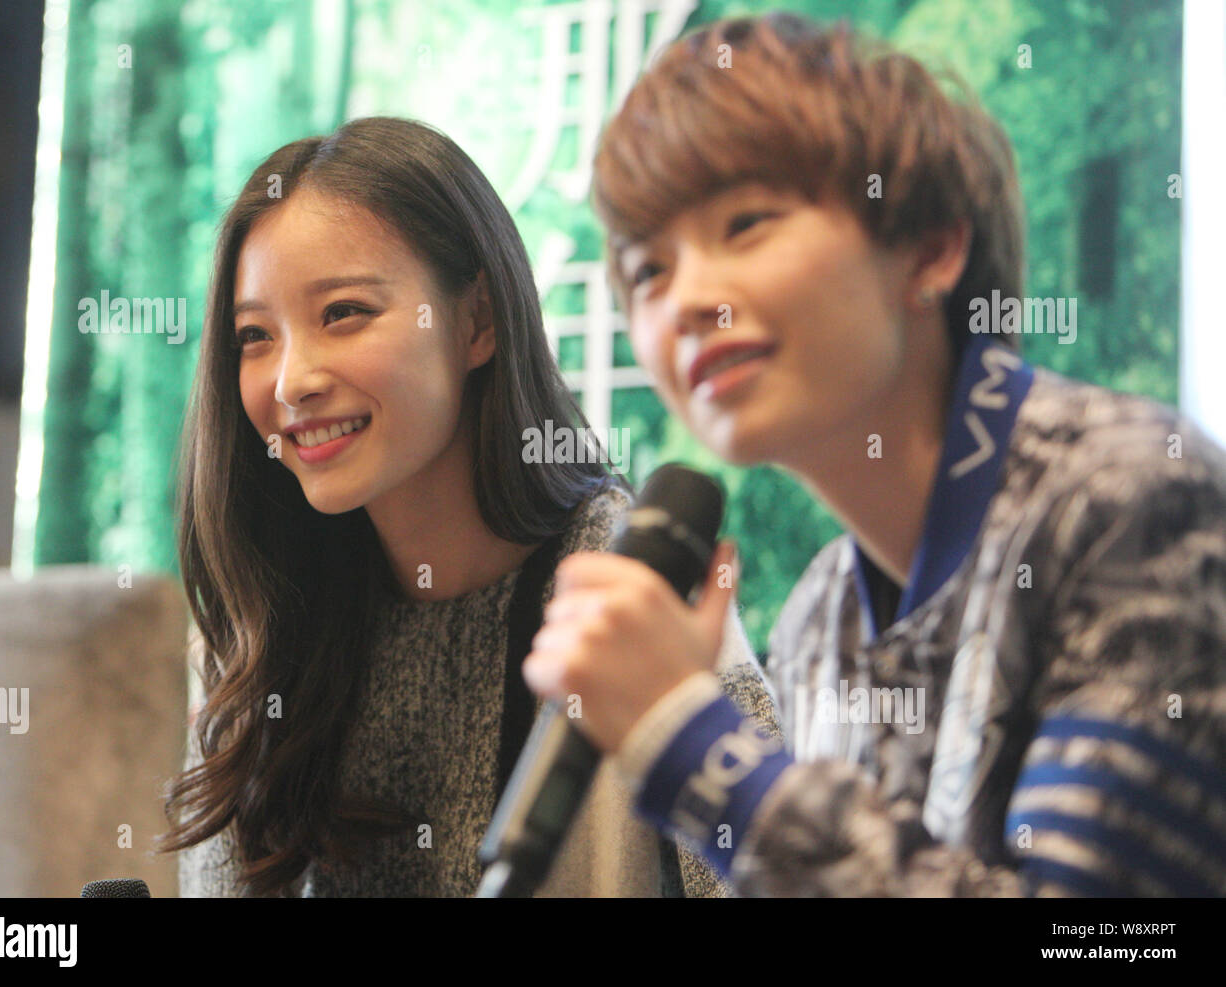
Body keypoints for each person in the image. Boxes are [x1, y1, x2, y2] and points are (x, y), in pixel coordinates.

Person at [522, 12, 1226, 896]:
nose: (690, 299)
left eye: (746, 223)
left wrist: (697, 747)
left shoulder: (1126, 497)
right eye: (648, 270)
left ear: (929, 249)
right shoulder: (822, 610)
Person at [155, 115, 778, 897]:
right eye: (255, 335)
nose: (292, 381)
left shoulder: (622, 587)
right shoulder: (259, 613)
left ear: (476, 320)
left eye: (343, 312)